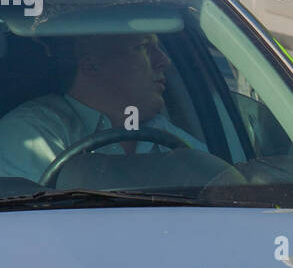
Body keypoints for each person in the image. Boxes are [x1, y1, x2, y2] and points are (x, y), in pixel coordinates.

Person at [0, 32, 201, 183]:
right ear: (91, 66)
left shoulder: (163, 132)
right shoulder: (30, 132)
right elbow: (48, 221)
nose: (164, 60)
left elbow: (219, 183)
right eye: (143, 47)